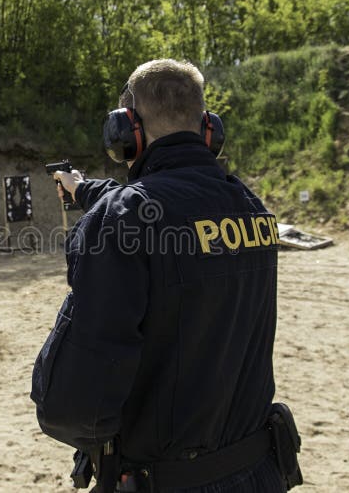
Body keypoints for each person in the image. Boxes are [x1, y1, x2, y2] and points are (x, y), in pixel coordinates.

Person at [31, 59, 299, 492]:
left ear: (126, 130)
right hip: (259, 472)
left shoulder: (122, 219)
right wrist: (81, 187)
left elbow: (73, 408)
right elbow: (165, 207)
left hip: (163, 480)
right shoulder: (251, 208)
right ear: (208, 128)